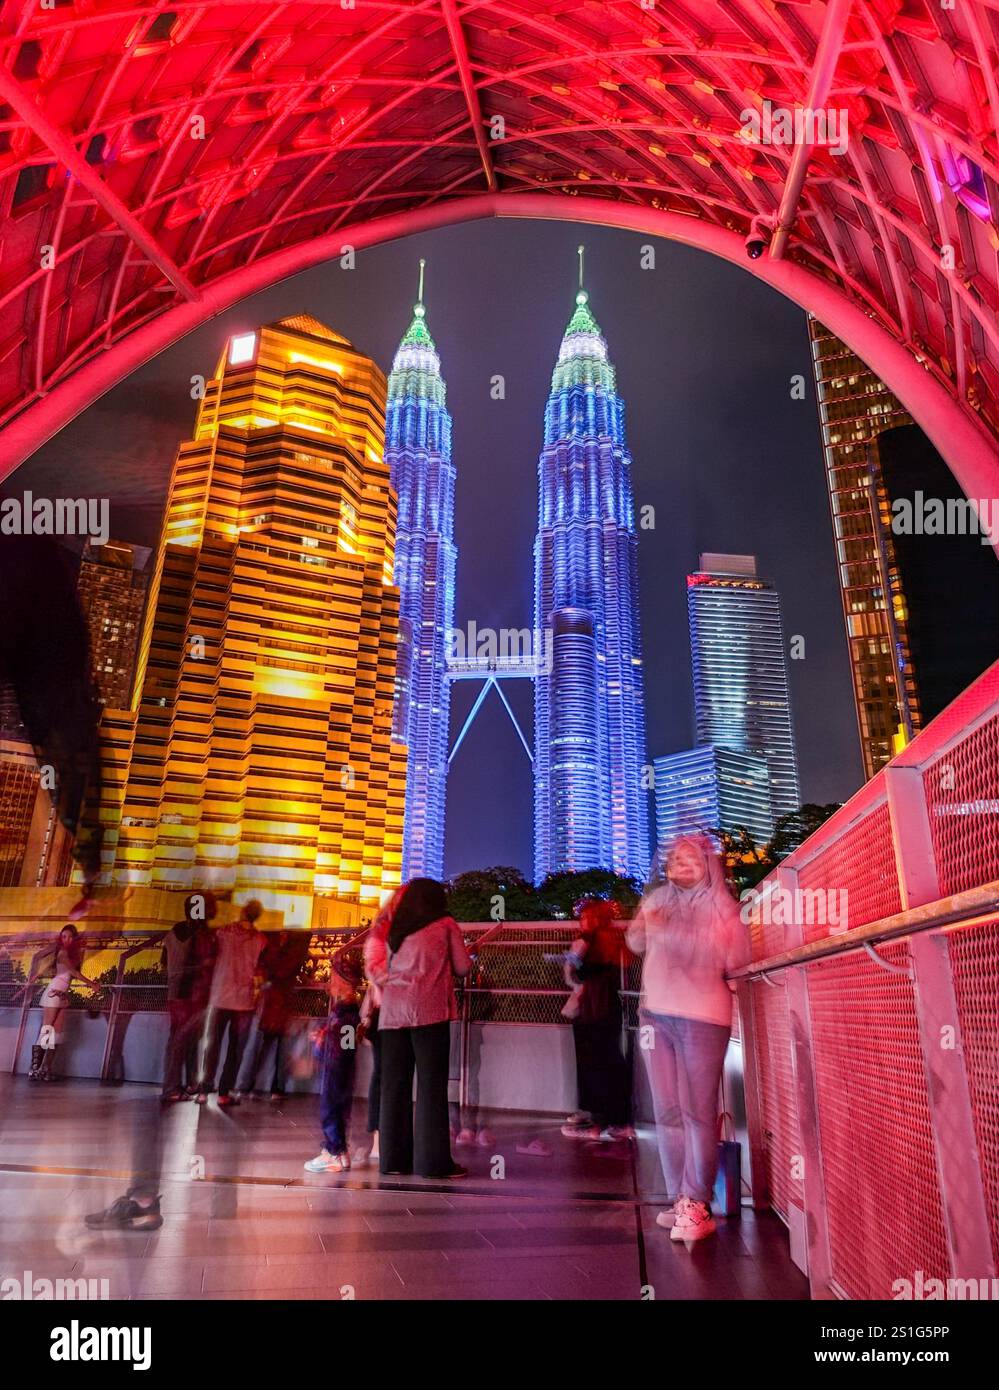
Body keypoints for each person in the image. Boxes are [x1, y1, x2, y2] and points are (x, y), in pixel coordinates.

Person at [626, 834, 751, 1243]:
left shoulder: (723, 907)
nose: (682, 864)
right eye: (676, 858)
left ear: (709, 865)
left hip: (702, 1017)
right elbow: (635, 942)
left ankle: (698, 1205)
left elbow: (737, 961)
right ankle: (680, 1199)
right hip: (655, 1015)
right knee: (667, 1112)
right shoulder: (658, 899)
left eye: (692, 858)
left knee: (697, 1112)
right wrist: (644, 920)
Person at [367, 878, 472, 1179]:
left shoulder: (394, 929)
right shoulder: (445, 923)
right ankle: (432, 1164)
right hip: (429, 1013)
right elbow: (463, 967)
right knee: (430, 1087)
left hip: (393, 1014)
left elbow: (381, 968)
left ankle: (393, 1161)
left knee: (394, 1086)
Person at [561, 898, 634, 1143]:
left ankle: (595, 1121)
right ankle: (619, 1121)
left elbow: (572, 976)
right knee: (612, 1060)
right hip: (610, 1007)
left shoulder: (584, 941)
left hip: (589, 1008)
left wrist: (571, 963)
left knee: (590, 1063)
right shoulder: (614, 941)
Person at [196, 899, 265, 1107]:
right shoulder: (261, 940)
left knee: (213, 1044)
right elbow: (261, 971)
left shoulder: (223, 933)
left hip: (219, 995)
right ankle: (224, 1093)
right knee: (235, 1049)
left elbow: (209, 954)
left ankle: (203, 1091)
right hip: (243, 1001)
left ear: (243, 912)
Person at [304, 956, 363, 1173]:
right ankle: (340, 1152)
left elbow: (341, 1046)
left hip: (335, 1069)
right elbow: (347, 1044)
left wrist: (321, 1043)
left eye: (334, 978)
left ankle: (334, 1152)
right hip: (342, 1069)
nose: (330, 982)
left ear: (345, 982)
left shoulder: (344, 1014)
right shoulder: (349, 1012)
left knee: (330, 1109)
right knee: (338, 1109)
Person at [22, 925, 100, 1081]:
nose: (67, 940)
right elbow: (74, 972)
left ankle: (46, 1068)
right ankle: (34, 1068)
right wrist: (91, 984)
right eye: (64, 936)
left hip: (62, 994)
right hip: (54, 992)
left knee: (56, 1035)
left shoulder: (73, 954)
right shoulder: (63, 953)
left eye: (70, 937)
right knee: (47, 1031)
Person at [240, 928, 310, 1101]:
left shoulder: (271, 950)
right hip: (282, 1005)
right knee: (280, 1049)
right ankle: (276, 1088)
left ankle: (248, 1086)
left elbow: (264, 970)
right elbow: (286, 970)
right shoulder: (293, 952)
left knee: (263, 1049)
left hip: (271, 1005)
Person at [161, 891, 218, 1100]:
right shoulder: (201, 935)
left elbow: (163, 962)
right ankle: (174, 1088)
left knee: (180, 1038)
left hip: (174, 992)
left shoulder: (173, 931)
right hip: (191, 994)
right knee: (183, 1040)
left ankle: (181, 1085)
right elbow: (203, 964)